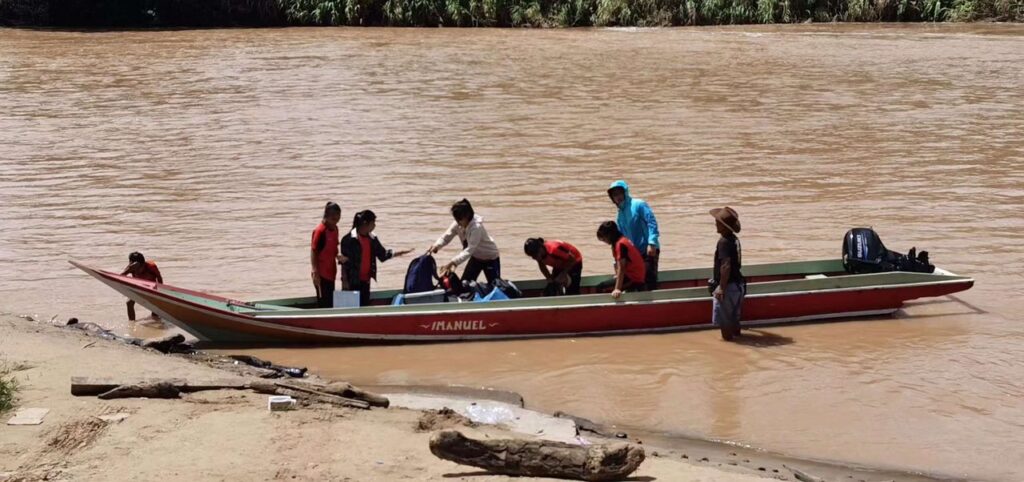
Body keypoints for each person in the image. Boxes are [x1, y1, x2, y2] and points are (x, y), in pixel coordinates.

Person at [340, 210, 413, 306]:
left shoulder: (372, 238)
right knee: (351, 309)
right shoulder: (349, 239)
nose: (374, 225)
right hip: (352, 281)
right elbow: (343, 262)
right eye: (373, 223)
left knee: (364, 306)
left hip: (366, 280)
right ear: (365, 223)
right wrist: (344, 281)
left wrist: (399, 253)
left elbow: (382, 255)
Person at [428, 199, 501, 283]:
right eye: (456, 219)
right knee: (465, 284)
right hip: (476, 258)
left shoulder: (476, 228)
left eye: (460, 219)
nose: (458, 223)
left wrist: (453, 262)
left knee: (496, 286)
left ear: (467, 216)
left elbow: (469, 250)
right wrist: (436, 245)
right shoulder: (458, 223)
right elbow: (446, 236)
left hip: (490, 258)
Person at [607, 180, 660, 290]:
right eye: (614, 195)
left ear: (625, 192)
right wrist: (616, 261)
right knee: (635, 280)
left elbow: (651, 222)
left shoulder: (639, 204)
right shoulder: (620, 216)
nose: (618, 197)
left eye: (620, 193)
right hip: (634, 253)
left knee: (648, 279)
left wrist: (652, 242)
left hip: (648, 249)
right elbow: (620, 239)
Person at [710, 207, 746, 341]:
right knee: (734, 319)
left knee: (725, 324)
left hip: (729, 287)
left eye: (718, 222)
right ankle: (739, 341)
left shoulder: (724, 242)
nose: (715, 223)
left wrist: (721, 288)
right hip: (738, 285)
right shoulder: (734, 239)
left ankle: (731, 347)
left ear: (724, 226)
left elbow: (726, 265)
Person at [596, 221, 646, 300]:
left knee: (600, 288)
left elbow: (622, 268)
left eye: (604, 239)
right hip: (632, 275)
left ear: (609, 235)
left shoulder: (620, 244)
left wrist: (617, 289)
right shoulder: (621, 240)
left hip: (633, 278)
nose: (605, 242)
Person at [311, 201, 345, 308]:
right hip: (321, 274)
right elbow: (313, 251)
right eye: (333, 219)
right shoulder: (320, 231)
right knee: (324, 303)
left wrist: (338, 256)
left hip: (331, 272)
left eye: (338, 219)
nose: (335, 222)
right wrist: (315, 271)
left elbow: (334, 247)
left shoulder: (335, 229)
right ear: (326, 216)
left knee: (330, 300)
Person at [120, 251, 163, 321]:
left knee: (154, 307)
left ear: (143, 263)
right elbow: (120, 277)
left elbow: (159, 277)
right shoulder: (131, 268)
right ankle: (132, 322)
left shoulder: (151, 266)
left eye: (139, 266)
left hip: (151, 288)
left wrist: (160, 291)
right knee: (129, 303)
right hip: (138, 287)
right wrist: (128, 269)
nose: (138, 269)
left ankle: (156, 319)